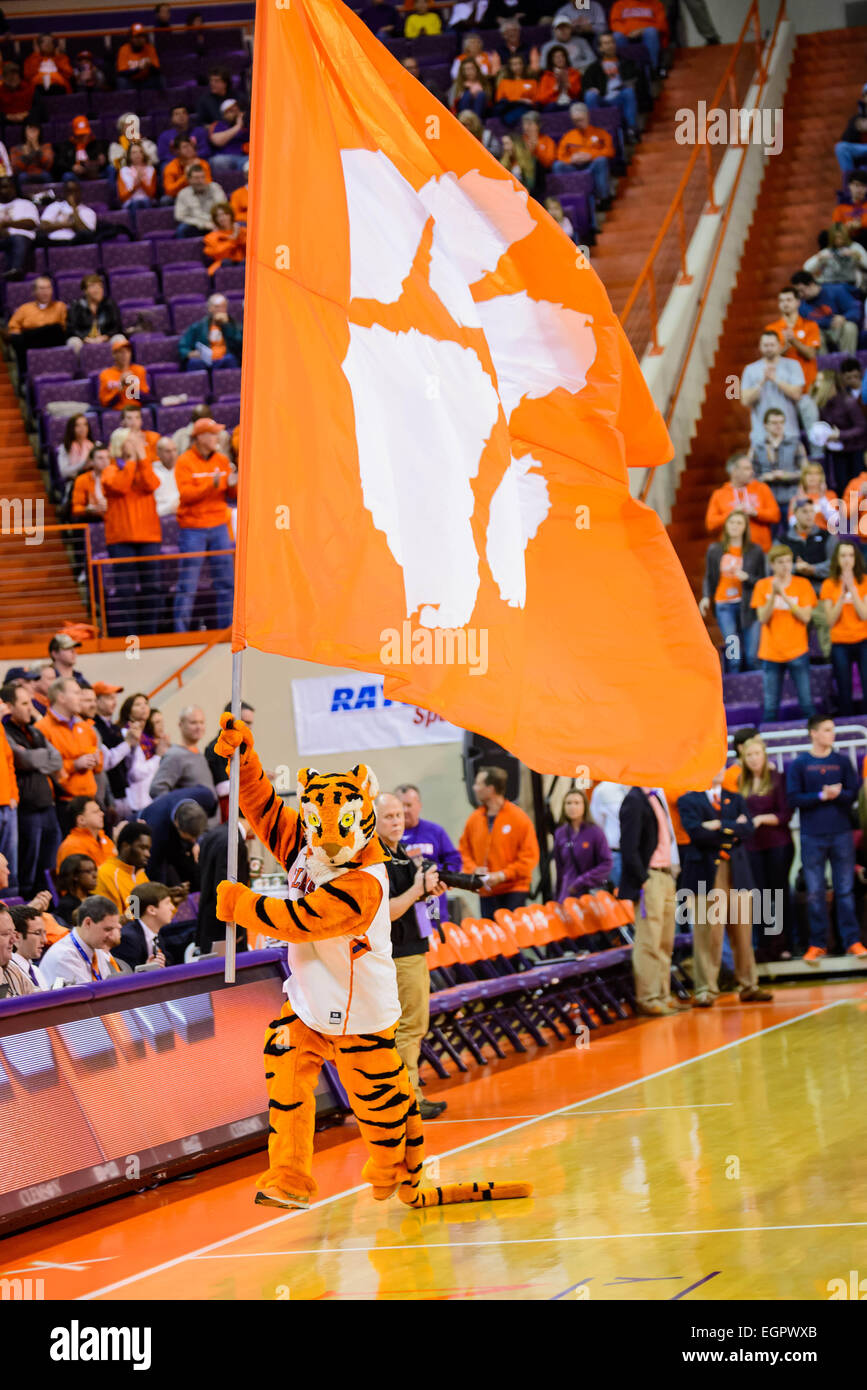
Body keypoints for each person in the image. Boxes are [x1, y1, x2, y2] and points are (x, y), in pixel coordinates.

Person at [376, 791, 444, 1119]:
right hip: (398, 952)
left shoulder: (400, 851)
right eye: (389, 816)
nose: (397, 820)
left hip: (412, 947)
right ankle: (410, 1099)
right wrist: (417, 890)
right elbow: (384, 912)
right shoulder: (376, 860)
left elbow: (409, 900)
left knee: (414, 1025)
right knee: (408, 1027)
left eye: (400, 815)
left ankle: (411, 1094)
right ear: (373, 820)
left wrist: (427, 890)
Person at [677, 772, 770, 1007]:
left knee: (743, 932)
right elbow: (696, 833)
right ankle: (705, 989)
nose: (718, 770)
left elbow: (747, 829)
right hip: (706, 873)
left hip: (737, 872)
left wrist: (718, 825)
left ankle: (749, 984)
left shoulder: (736, 798)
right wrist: (732, 828)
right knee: (708, 933)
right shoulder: (689, 800)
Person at [786, 716, 866, 961]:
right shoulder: (800, 764)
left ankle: (852, 941)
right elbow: (793, 799)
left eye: (833, 730)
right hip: (812, 835)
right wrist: (821, 795)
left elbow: (854, 793)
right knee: (815, 892)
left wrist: (838, 794)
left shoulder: (841, 761)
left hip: (841, 832)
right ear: (813, 733)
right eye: (827, 730)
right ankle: (818, 944)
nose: (832, 734)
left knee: (844, 890)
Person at [618, 785, 682, 1015]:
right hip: (650, 877)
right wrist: (642, 878)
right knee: (649, 940)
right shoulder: (634, 800)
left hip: (665, 875)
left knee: (665, 941)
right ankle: (648, 997)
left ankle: (664, 994)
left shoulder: (656, 797)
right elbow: (628, 846)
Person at [173, 416, 236, 631]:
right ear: (200, 437)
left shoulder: (221, 460)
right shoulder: (184, 462)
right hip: (193, 528)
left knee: (226, 582)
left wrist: (235, 484)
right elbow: (186, 495)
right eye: (212, 433)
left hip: (219, 524)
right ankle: (181, 633)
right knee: (188, 584)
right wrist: (213, 484)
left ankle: (226, 630)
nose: (217, 437)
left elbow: (230, 493)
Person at [2, 679, 61, 898]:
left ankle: (46, 907)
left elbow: (57, 760)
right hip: (26, 808)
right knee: (25, 867)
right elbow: (23, 760)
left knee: (48, 866)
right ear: (9, 706)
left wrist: (36, 759)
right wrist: (37, 759)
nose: (32, 708)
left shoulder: (33, 732)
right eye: (25, 704)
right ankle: (23, 909)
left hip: (46, 805)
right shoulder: (6, 731)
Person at [737, 735, 794, 959]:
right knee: (758, 895)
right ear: (743, 758)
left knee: (778, 893)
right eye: (749, 755)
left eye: (756, 754)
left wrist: (760, 819)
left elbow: (785, 815)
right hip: (752, 846)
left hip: (778, 843)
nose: (753, 759)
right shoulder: (742, 782)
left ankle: (784, 943)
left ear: (764, 755)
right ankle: (764, 945)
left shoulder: (778, 779)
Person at [101, 430, 162, 637]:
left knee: (152, 587)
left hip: (149, 536)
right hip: (121, 538)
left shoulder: (144, 465)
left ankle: (149, 633)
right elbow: (120, 485)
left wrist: (143, 459)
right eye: (132, 441)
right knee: (125, 590)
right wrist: (131, 462)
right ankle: (130, 634)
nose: (138, 444)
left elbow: (152, 484)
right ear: (120, 444)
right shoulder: (110, 469)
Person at [459, 765, 539, 917]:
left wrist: (503, 875)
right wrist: (474, 870)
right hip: (486, 891)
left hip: (514, 889)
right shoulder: (474, 819)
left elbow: (529, 857)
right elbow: (463, 851)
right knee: (492, 937)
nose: (474, 788)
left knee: (513, 937)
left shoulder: (518, 818)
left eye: (478, 784)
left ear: (490, 788)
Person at [751, 543, 817, 725]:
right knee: (771, 705)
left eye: (788, 561)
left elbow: (805, 617)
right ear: (772, 564)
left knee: (807, 702)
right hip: (771, 653)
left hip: (797, 651)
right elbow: (763, 618)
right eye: (780, 562)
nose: (785, 566)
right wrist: (773, 595)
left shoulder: (802, 584)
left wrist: (785, 596)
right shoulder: (762, 586)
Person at [700, 509, 765, 673]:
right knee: (733, 653)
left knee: (752, 656)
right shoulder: (715, 550)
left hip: (749, 606)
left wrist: (747, 578)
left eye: (739, 523)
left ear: (745, 527)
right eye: (731, 522)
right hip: (724, 606)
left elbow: (763, 582)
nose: (735, 526)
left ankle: (755, 692)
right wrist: (707, 596)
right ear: (726, 526)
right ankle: (734, 689)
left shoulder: (755, 551)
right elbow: (709, 576)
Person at [395, 781, 462, 925]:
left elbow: (454, 860)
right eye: (401, 806)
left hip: (432, 898)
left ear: (419, 805)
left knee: (434, 936)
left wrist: (441, 876)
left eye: (409, 805)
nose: (405, 810)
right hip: (403, 902)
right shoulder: (391, 836)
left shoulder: (435, 831)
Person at [36, 677, 101, 819]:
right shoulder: (42, 729)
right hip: (63, 804)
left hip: (90, 800)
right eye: (76, 693)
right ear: (61, 697)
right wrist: (75, 765)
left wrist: (97, 761)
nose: (81, 698)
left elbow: (98, 768)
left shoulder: (85, 727)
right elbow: (44, 768)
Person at [821, 541, 867, 716]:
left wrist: (852, 588)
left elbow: (864, 614)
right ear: (836, 559)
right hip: (840, 642)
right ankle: (847, 722)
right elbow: (830, 619)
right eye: (843, 555)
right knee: (843, 687)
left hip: (863, 640)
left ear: (856, 558)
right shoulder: (828, 584)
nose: (847, 560)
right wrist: (842, 591)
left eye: (850, 555)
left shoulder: (864, 582)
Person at [740, 330, 806, 447]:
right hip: (761, 434)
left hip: (789, 431)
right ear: (760, 347)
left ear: (779, 346)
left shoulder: (793, 365)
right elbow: (745, 400)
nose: (769, 348)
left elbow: (797, 394)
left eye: (772, 345)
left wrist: (775, 379)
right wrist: (762, 382)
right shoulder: (750, 369)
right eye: (765, 345)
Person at [705, 453, 780, 553]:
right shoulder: (719, 494)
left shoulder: (762, 488)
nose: (752, 472)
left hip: (761, 550)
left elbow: (775, 515)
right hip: (731, 551)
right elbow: (710, 524)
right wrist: (732, 513)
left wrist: (756, 512)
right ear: (734, 471)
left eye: (751, 468)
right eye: (746, 469)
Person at [195, 816, 249, 952]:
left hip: (208, 918)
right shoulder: (233, 840)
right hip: (224, 927)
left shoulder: (214, 833)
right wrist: (237, 928)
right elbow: (226, 887)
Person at [39, 895, 118, 986]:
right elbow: (86, 997)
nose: (112, 935)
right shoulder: (64, 958)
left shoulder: (95, 945)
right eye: (107, 929)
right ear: (88, 923)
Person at [814, 366, 867, 494]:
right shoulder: (823, 404)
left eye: (820, 381)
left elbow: (862, 427)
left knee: (856, 486)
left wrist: (840, 435)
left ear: (830, 384)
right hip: (837, 451)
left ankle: (858, 512)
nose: (816, 385)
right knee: (842, 486)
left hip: (855, 451)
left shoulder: (849, 402)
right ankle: (847, 511)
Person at [142, 791, 210, 887]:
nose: (193, 841)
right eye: (191, 838)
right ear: (177, 824)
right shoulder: (156, 830)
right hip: (154, 848)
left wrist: (199, 841)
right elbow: (154, 871)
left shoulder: (206, 796)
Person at [553, 787, 612, 899]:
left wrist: (582, 881)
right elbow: (559, 869)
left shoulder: (595, 832)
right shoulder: (560, 833)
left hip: (591, 893)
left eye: (577, 803)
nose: (572, 807)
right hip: (567, 893)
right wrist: (556, 896)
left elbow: (606, 863)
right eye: (568, 803)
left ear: (584, 806)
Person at [748, 405, 806, 518]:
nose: (778, 426)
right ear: (766, 425)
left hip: (791, 498)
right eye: (774, 423)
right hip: (766, 500)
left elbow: (805, 472)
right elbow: (750, 476)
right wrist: (764, 477)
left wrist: (786, 475)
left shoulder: (795, 444)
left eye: (781, 422)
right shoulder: (757, 448)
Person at [552, 101, 614, 207]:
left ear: (587, 116)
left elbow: (610, 151)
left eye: (581, 119)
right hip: (574, 167)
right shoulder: (568, 137)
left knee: (601, 161)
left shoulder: (600, 133)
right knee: (558, 165)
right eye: (575, 121)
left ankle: (603, 199)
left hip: (592, 165)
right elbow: (560, 156)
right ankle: (567, 199)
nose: (578, 123)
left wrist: (590, 155)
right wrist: (571, 159)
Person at [581, 31, 640, 140]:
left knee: (629, 92)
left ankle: (631, 129)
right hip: (602, 99)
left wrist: (629, 84)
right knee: (590, 95)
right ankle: (596, 130)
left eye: (612, 42)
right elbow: (585, 86)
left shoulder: (626, 63)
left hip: (620, 97)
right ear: (600, 48)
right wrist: (592, 89)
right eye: (606, 43)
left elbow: (636, 80)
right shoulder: (593, 68)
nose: (610, 45)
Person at [5, 273, 66, 375]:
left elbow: (63, 329)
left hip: (53, 341)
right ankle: (24, 376)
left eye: (48, 288)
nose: (45, 292)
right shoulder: (24, 308)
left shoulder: (60, 306)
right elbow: (13, 328)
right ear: (34, 291)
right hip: (31, 344)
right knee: (17, 339)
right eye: (42, 289)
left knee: (55, 328)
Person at [149, 707, 215, 799]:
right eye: (193, 722)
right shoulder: (175, 755)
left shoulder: (199, 755)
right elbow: (157, 789)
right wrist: (181, 810)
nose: (199, 727)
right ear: (181, 725)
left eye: (201, 722)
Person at [764, 285, 821, 391]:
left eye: (789, 300)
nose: (785, 303)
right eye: (781, 301)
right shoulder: (771, 329)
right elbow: (768, 358)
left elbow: (811, 354)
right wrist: (784, 348)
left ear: (798, 302)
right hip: (783, 385)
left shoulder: (811, 325)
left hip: (807, 383)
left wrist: (793, 341)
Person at [790, 269, 860, 355]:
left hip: (838, 329)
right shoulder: (800, 304)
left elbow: (855, 310)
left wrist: (844, 318)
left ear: (811, 284)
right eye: (797, 292)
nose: (800, 294)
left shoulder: (836, 291)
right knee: (813, 332)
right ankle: (824, 366)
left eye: (802, 290)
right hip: (820, 332)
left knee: (850, 327)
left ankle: (848, 362)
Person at [113, 880, 172, 969]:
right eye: (167, 903)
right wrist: (146, 968)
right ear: (152, 910)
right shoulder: (128, 938)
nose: (172, 907)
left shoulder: (155, 933)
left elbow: (168, 962)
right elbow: (126, 976)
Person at [96, 820, 151, 913]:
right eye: (142, 848)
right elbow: (110, 922)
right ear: (125, 846)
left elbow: (138, 914)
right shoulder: (105, 874)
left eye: (148, 849)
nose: (148, 854)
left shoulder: (140, 875)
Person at [178, 294, 242, 370]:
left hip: (225, 358)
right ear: (209, 308)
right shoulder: (198, 326)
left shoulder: (232, 324)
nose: (221, 310)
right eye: (217, 307)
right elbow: (183, 346)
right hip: (204, 360)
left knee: (231, 359)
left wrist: (227, 326)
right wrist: (190, 353)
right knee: (193, 363)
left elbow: (240, 344)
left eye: (223, 306)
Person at [66, 273, 122, 354]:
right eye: (92, 286)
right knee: (73, 342)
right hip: (84, 339)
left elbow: (117, 326)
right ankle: (78, 366)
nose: (97, 289)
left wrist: (105, 337)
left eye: (100, 286)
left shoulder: (110, 304)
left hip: (105, 337)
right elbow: (71, 328)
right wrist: (84, 338)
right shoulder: (76, 306)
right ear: (85, 290)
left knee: (120, 339)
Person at [804, 225, 867, 293]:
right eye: (835, 237)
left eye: (840, 237)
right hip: (829, 284)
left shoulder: (854, 247)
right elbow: (807, 269)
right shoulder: (828, 250)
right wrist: (818, 258)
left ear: (845, 236)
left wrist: (858, 256)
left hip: (849, 284)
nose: (838, 240)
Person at [609, 0, 668, 72]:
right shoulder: (619, 4)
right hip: (626, 34)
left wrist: (642, 30)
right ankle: (626, 72)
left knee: (651, 32)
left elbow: (662, 25)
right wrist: (627, 32)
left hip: (648, 33)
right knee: (617, 36)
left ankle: (651, 71)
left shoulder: (656, 3)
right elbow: (615, 23)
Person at [589, 781, 628, 887]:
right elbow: (596, 824)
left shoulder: (646, 787)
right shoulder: (603, 790)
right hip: (616, 855)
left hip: (644, 855)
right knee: (619, 897)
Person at [0, 175, 37, 282]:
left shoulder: (25, 203)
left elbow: (31, 223)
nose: (6, 190)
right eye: (3, 187)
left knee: (18, 238)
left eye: (9, 187)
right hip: (2, 238)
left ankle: (16, 270)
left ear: (14, 189)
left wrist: (6, 223)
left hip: (21, 239)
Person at [174, 161, 227, 236]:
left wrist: (216, 222)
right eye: (196, 178)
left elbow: (222, 208)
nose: (200, 181)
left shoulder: (215, 188)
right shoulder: (183, 194)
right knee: (182, 230)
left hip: (216, 222)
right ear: (189, 180)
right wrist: (203, 224)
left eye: (202, 177)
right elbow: (180, 216)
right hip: (196, 225)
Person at [98, 335, 150, 411]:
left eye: (128, 351)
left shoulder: (139, 370)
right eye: (121, 352)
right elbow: (105, 403)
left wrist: (131, 386)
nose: (125, 355)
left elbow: (145, 399)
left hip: (136, 410)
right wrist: (121, 386)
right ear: (114, 354)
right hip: (116, 412)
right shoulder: (105, 374)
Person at [787, 462, 838, 533]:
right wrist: (801, 504)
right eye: (809, 474)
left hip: (826, 536)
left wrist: (822, 499)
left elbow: (834, 522)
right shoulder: (796, 499)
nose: (812, 477)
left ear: (821, 477)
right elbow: (792, 524)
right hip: (804, 536)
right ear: (803, 477)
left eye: (816, 474)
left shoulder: (830, 495)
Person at [53, 116, 108, 181]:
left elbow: (107, 159)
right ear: (73, 133)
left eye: (85, 134)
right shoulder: (67, 146)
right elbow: (59, 163)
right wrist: (72, 167)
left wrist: (103, 159)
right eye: (80, 135)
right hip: (76, 176)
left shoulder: (96, 144)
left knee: (110, 169)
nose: (83, 137)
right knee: (67, 176)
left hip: (95, 173)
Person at [10, 904, 49, 988]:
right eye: (37, 933)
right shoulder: (8, 975)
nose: (45, 940)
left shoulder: (36, 971)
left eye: (44, 933)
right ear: (16, 937)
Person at [207, 96, 249, 176]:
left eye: (236, 110)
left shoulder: (247, 124)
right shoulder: (218, 125)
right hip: (225, 156)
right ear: (224, 114)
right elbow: (217, 141)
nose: (235, 113)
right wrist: (238, 126)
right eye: (231, 111)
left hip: (244, 157)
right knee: (217, 161)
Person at [0, 902, 35, 996]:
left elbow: (38, 1001)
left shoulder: (12, 968)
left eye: (13, 932)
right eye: (5, 934)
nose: (14, 940)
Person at [493, 55, 538, 128]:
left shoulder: (532, 82)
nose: (518, 66)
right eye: (514, 64)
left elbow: (535, 100)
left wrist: (523, 101)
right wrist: (519, 100)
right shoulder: (504, 82)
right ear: (510, 67)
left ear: (523, 65)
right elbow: (499, 99)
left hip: (524, 107)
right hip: (508, 106)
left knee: (522, 108)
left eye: (520, 63)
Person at [203, 201, 245, 276]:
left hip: (242, 263)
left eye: (224, 214)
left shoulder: (242, 231)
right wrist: (233, 238)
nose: (221, 218)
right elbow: (220, 254)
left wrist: (239, 235)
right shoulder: (211, 236)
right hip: (223, 267)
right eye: (217, 216)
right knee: (226, 262)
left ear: (231, 215)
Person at [116, 22, 161, 91]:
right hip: (131, 82)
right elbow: (122, 72)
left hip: (146, 80)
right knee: (121, 81)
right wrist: (139, 68)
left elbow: (158, 70)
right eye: (137, 37)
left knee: (160, 78)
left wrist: (150, 66)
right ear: (131, 38)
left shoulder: (150, 48)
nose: (140, 39)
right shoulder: (124, 49)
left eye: (142, 36)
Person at [117, 141, 157, 209]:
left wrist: (141, 183)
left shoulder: (151, 170)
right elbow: (122, 197)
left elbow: (152, 194)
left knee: (146, 201)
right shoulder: (123, 171)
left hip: (147, 200)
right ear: (129, 155)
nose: (138, 154)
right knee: (136, 203)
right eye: (134, 152)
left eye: (140, 151)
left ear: (144, 154)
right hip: (130, 202)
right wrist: (135, 186)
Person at [153, 435, 180, 517]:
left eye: (174, 450)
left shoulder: (183, 468)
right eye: (168, 451)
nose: (172, 455)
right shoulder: (152, 472)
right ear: (158, 453)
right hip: (161, 512)